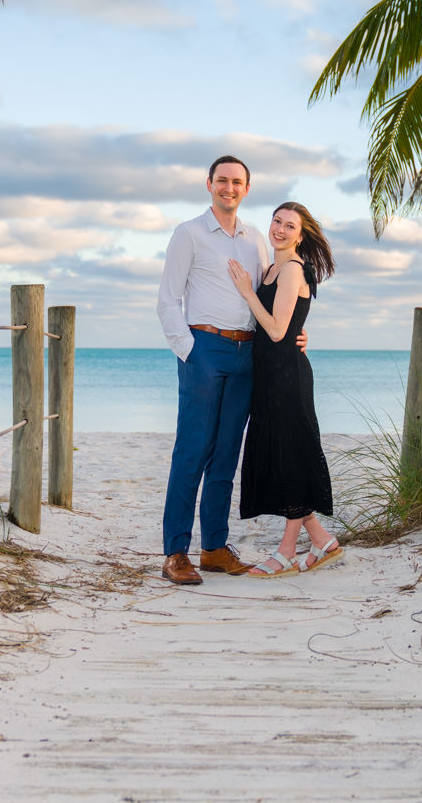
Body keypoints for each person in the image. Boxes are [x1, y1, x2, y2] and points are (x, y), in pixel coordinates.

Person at [155, 155, 267, 585]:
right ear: (209, 184)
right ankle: (175, 553)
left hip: (246, 353)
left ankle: (215, 548)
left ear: (246, 189)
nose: (229, 188)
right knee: (192, 450)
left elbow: (264, 298)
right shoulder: (189, 233)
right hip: (204, 348)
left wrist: (293, 332)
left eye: (237, 182)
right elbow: (168, 300)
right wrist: (189, 351)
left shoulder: (256, 240)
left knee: (226, 454)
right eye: (222, 180)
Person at [226, 202, 341, 577]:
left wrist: (247, 292)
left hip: (287, 378)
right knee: (280, 457)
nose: (280, 229)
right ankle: (322, 540)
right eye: (277, 221)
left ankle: (287, 551)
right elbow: (289, 325)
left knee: (290, 459)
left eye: (290, 225)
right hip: (270, 377)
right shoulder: (272, 268)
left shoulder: (292, 269)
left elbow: (276, 331)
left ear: (301, 235)